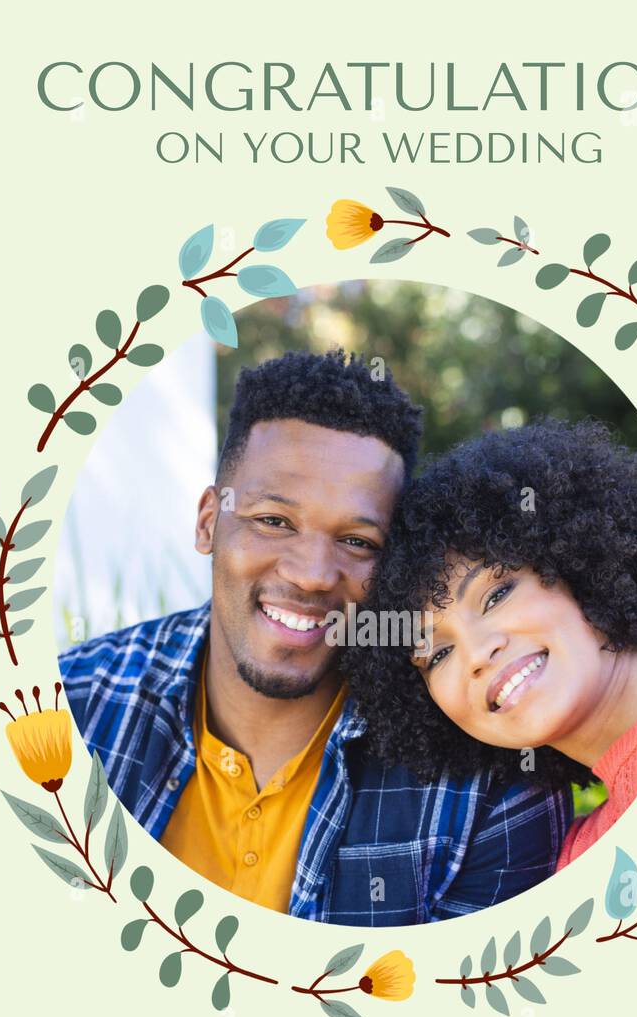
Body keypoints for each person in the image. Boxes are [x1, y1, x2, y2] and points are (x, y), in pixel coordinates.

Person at [59, 351, 572, 924]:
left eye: (357, 541)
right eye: (273, 521)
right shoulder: (72, 707)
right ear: (208, 522)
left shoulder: (488, 790)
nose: (311, 574)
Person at [343, 418, 637, 869]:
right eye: (438, 654)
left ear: (578, 563)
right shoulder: (583, 857)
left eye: (496, 595)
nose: (476, 654)